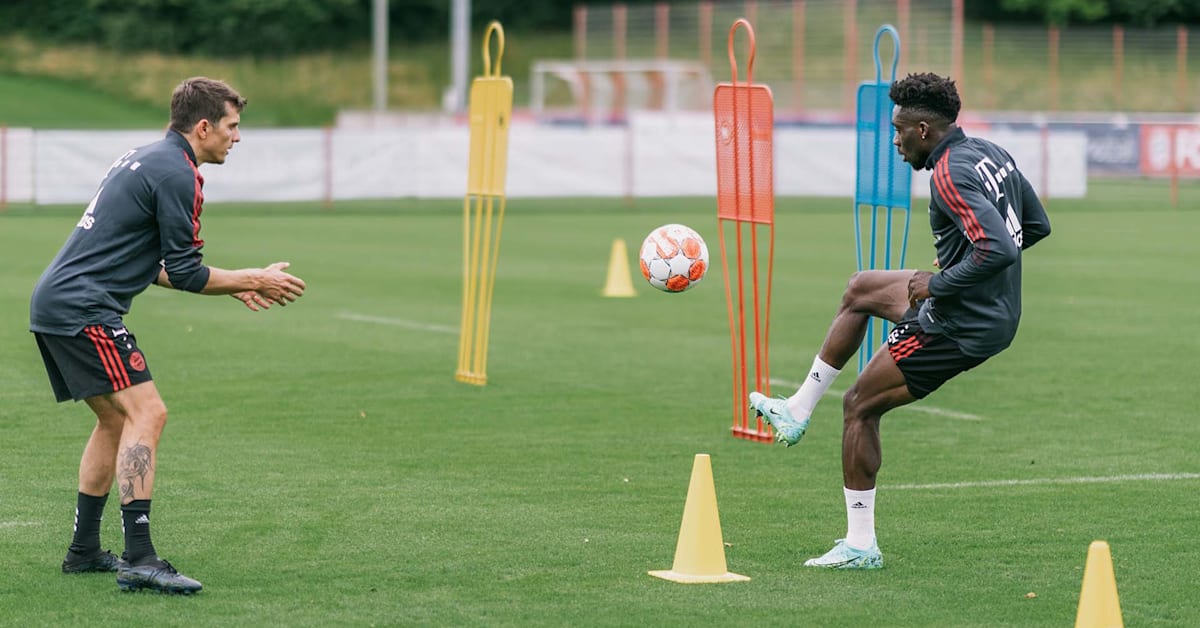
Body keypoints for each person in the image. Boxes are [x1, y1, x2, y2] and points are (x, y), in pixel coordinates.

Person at [749, 72, 1051, 569]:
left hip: (958, 324)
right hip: (988, 308)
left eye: (899, 130)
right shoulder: (991, 153)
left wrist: (943, 283)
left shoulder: (949, 174)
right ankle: (798, 408)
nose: (895, 141)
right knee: (860, 289)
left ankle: (860, 546)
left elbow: (999, 248)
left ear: (923, 130)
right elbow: (1036, 225)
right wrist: (964, 266)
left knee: (859, 407)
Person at [30, 77, 307, 593]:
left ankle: (84, 551)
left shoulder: (146, 157)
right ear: (203, 127)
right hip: (84, 308)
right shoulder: (179, 173)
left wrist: (236, 284)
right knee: (148, 412)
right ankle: (140, 557)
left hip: (58, 302)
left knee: (116, 419)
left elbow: (150, 263)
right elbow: (185, 271)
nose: (236, 137)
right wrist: (254, 277)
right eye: (231, 126)